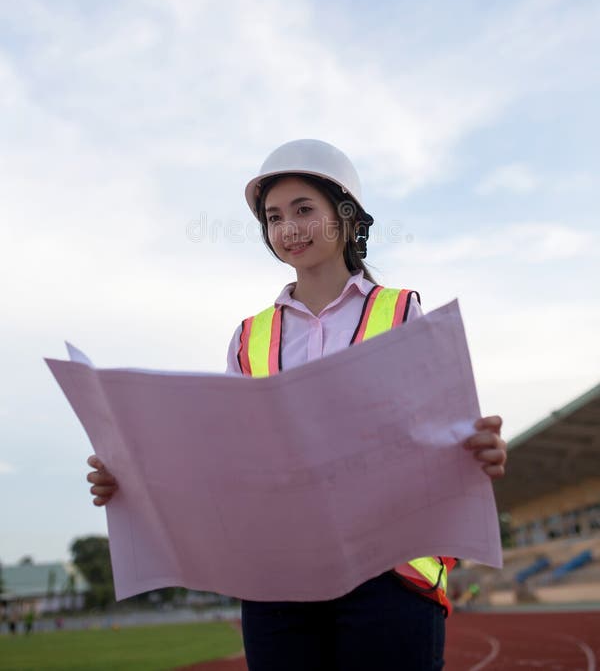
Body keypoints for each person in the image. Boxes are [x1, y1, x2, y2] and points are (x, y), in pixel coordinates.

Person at [87, 139, 507, 671]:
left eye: (304, 209)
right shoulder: (249, 337)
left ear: (346, 216)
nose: (288, 228)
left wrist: (480, 447)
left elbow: (438, 432)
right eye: (274, 217)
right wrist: (130, 476)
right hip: (278, 581)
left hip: (390, 577)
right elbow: (222, 456)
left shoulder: (401, 311)